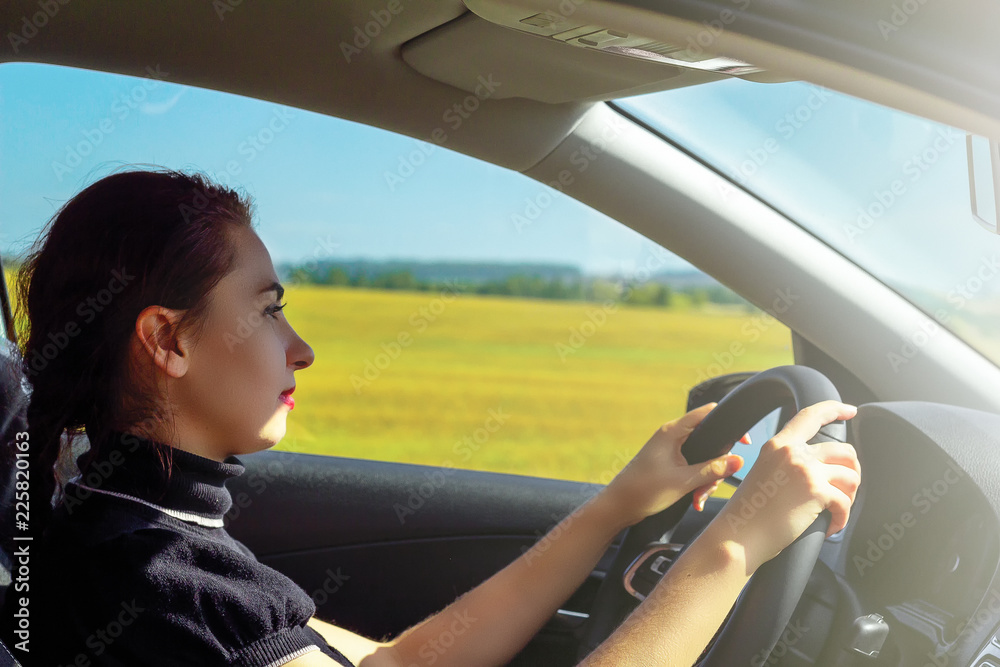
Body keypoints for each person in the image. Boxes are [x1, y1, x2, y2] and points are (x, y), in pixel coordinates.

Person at [1, 168, 860, 666]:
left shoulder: (142, 530)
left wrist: (615, 506)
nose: (300, 349)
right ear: (168, 342)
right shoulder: (154, 585)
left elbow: (392, 664)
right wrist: (736, 545)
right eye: (267, 310)